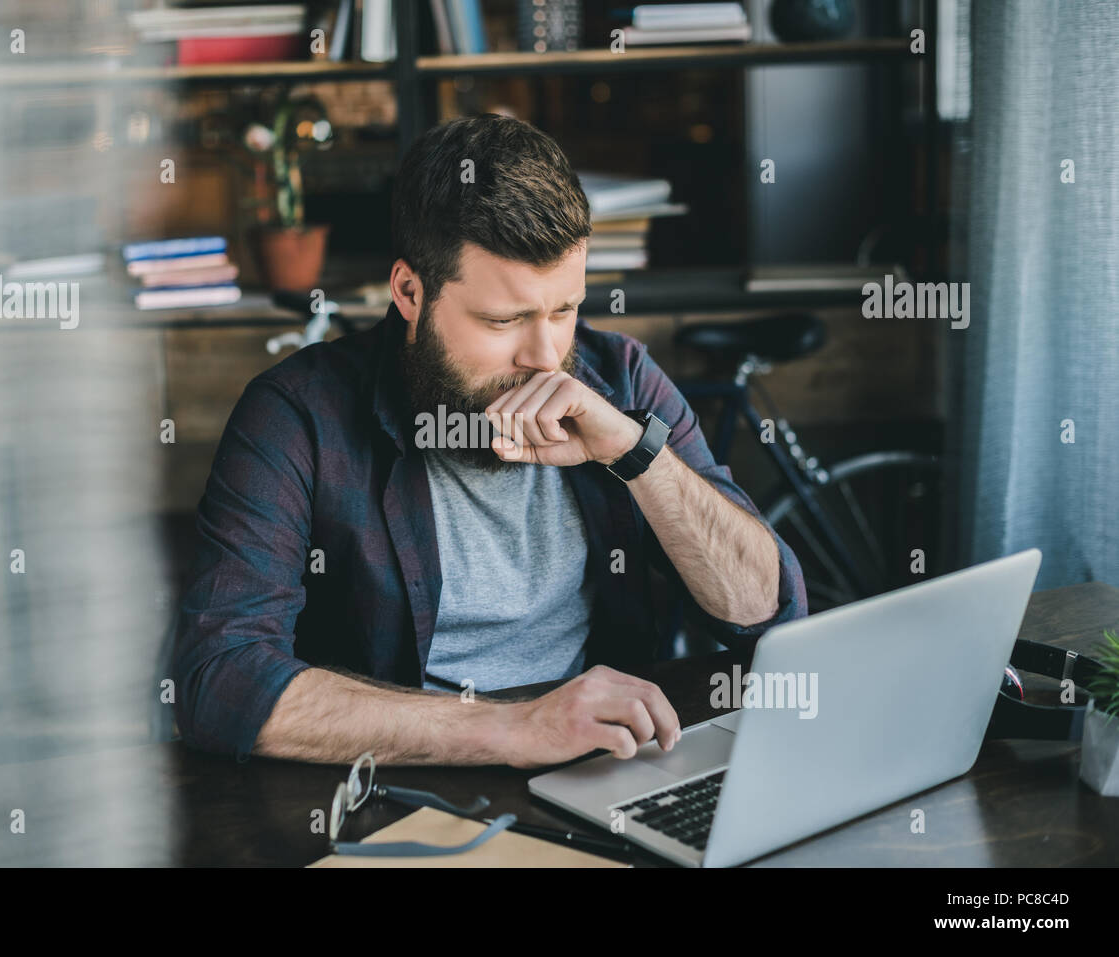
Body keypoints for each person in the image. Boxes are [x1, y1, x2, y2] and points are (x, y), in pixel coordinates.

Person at [173, 113, 807, 768]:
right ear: (410, 292)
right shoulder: (298, 415)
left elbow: (765, 607)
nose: (546, 355)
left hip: (600, 775)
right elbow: (219, 679)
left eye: (564, 310)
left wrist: (637, 454)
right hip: (401, 798)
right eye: (505, 319)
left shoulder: (618, 377)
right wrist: (511, 728)